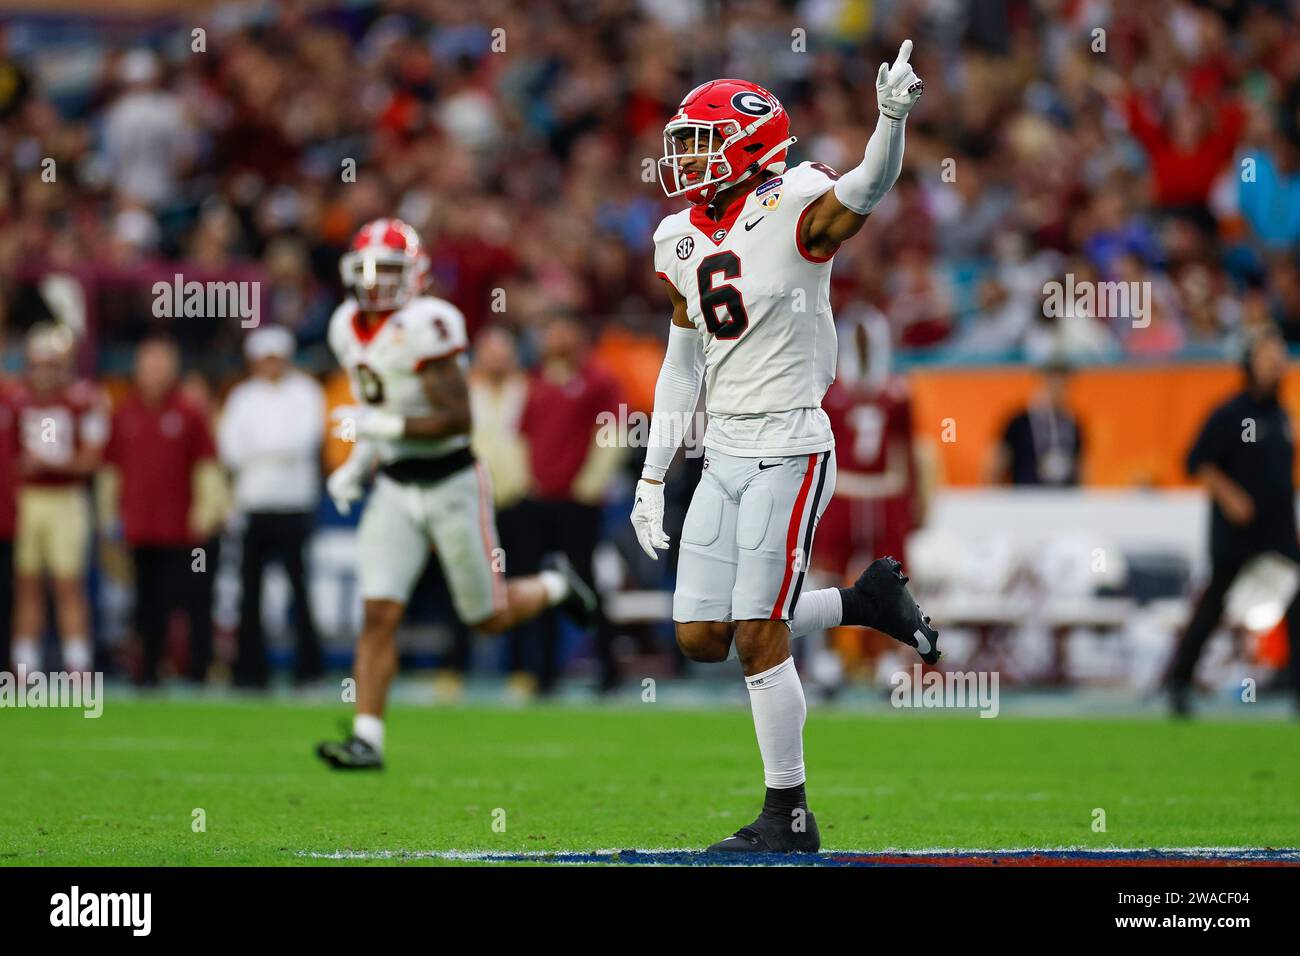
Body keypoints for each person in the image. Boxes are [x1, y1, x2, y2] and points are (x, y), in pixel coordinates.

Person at [629, 46, 939, 855]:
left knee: (760, 633)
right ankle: (860, 604)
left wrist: (892, 120)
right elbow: (682, 360)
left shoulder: (794, 197)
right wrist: (654, 471)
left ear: (748, 142)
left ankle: (789, 814)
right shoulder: (675, 237)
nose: (686, 158)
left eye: (700, 141)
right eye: (684, 142)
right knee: (701, 636)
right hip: (723, 446)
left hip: (791, 442)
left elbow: (866, 189)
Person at [315, 218, 595, 770]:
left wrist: (381, 431)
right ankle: (367, 739)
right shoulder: (346, 326)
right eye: (366, 272)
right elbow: (374, 410)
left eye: (387, 272)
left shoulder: (431, 323)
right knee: (378, 614)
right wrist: (358, 463)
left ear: (415, 274)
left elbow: (454, 419)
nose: (375, 285)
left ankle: (553, 584)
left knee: (486, 616)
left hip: (450, 481)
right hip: (395, 485)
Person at [1167, 327, 1300, 715]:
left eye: (1279, 357)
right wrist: (1230, 495)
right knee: (1214, 603)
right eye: (1267, 356)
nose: (1276, 364)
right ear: (1249, 363)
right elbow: (1196, 462)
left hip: (1276, 525)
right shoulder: (1231, 413)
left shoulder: (1282, 415)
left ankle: (1295, 684)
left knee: (1294, 600)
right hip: (1238, 528)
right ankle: (1178, 681)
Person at [101, 337, 226, 685]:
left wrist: (204, 511)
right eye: (149, 365)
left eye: (161, 365)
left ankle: (197, 670)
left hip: (182, 529)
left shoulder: (188, 413)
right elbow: (111, 469)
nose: (154, 373)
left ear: (173, 369)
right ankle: (148, 670)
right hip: (140, 526)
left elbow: (206, 465)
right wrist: (110, 516)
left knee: (191, 600)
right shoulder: (124, 411)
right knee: (144, 603)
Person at [515, 314, 624, 695]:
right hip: (537, 500)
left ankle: (608, 670)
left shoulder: (598, 380)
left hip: (578, 503)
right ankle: (544, 673)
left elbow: (613, 431)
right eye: (551, 329)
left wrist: (589, 484)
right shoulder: (535, 380)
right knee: (540, 585)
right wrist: (523, 480)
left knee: (585, 583)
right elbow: (521, 435)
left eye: (562, 329)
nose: (554, 336)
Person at [218, 325, 326, 688]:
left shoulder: (307, 393)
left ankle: (308, 669)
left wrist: (261, 451)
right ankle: (250, 671)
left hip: (294, 504)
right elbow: (232, 449)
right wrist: (271, 452)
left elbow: (304, 440)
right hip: (255, 504)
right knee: (251, 592)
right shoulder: (242, 397)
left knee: (300, 588)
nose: (271, 366)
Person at [9, 323, 109, 676]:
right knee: (27, 583)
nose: (45, 374)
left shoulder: (84, 399)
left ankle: (77, 664)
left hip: (66, 497)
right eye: (39, 364)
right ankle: (24, 666)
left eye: (52, 365)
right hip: (28, 498)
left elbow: (93, 459)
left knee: (68, 584)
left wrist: (53, 463)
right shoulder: (15, 399)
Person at [986, 359, 1084, 486]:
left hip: (1064, 500)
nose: (1058, 389)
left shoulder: (1073, 423)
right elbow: (995, 466)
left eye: (1064, 384)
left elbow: (1080, 467)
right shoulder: (1019, 422)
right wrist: (994, 500)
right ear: (1042, 382)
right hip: (1026, 499)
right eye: (1053, 383)